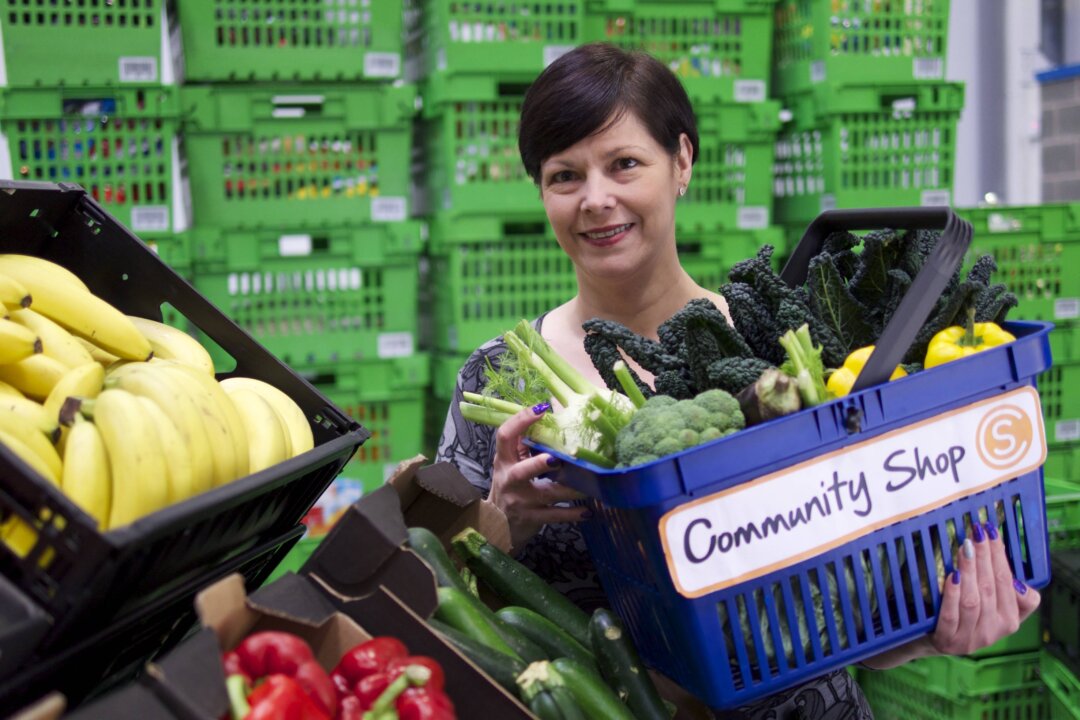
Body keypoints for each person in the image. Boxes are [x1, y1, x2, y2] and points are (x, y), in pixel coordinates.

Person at [436, 42, 1040, 719]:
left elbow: (858, 612)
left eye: (624, 164)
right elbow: (439, 605)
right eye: (564, 176)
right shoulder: (496, 381)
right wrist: (497, 527)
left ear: (682, 162)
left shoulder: (784, 348)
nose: (596, 200)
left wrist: (937, 630)